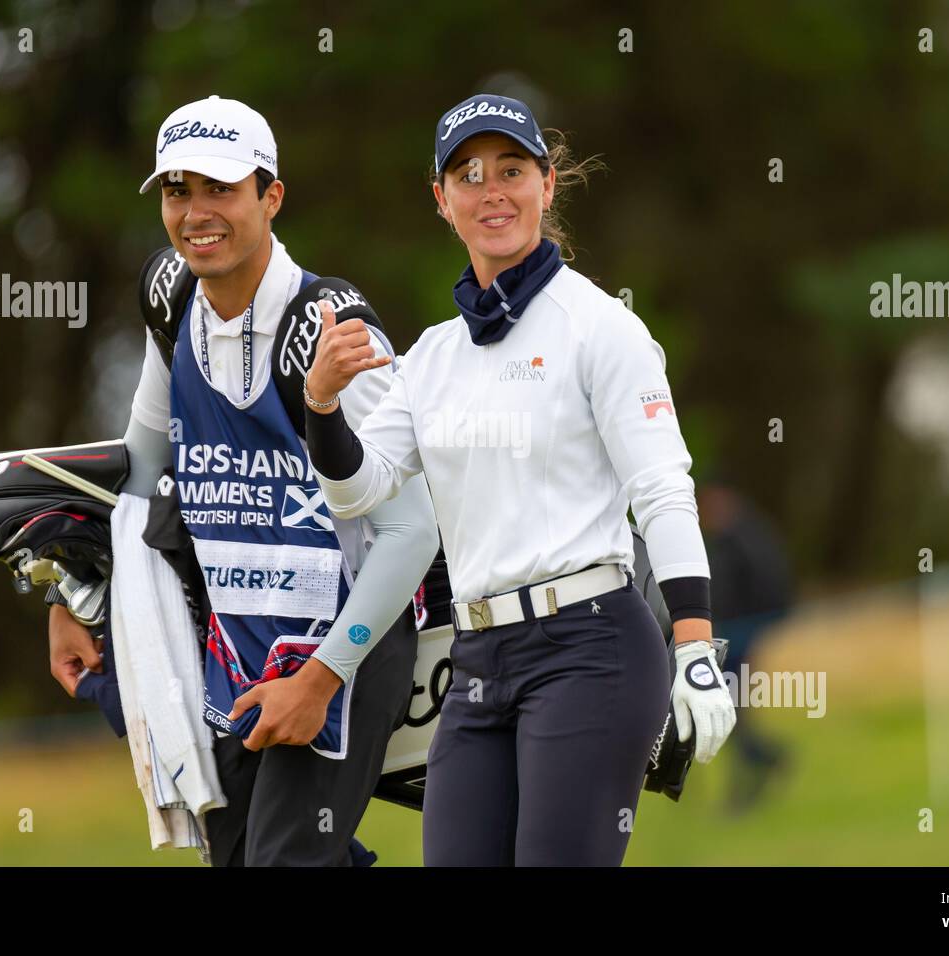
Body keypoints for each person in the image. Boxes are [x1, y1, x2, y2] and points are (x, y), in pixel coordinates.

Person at [300, 93, 736, 866]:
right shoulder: (432, 356)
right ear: (442, 199)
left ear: (547, 184)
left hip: (591, 647)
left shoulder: (600, 327)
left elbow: (663, 488)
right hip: (477, 662)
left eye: (511, 170)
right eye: (468, 175)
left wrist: (696, 643)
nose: (490, 190)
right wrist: (322, 405)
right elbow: (357, 492)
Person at [46, 95, 439, 865]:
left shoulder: (329, 330)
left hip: (345, 649)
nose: (196, 212)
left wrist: (322, 679)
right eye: (176, 190)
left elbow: (411, 530)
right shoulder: (173, 297)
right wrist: (71, 596)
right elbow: (142, 471)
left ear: (271, 197)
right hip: (233, 648)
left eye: (220, 189)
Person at [699, 478, 792, 813]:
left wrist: (753, 628)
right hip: (728, 637)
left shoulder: (746, 539)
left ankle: (766, 765)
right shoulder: (728, 539)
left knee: (732, 713)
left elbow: (770, 587)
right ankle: (757, 772)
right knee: (731, 714)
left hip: (739, 637)